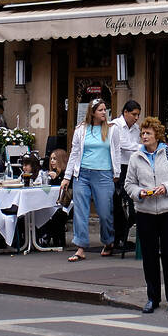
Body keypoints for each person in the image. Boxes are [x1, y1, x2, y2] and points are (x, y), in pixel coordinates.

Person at [124, 117, 168, 313]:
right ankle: (152, 298)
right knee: (150, 257)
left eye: (148, 133)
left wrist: (166, 187)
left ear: (157, 136)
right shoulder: (136, 157)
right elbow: (129, 184)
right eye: (143, 133)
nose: (144, 136)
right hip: (145, 212)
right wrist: (139, 193)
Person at [61, 100, 121, 261]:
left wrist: (117, 172)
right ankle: (80, 247)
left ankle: (108, 241)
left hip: (104, 174)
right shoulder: (81, 129)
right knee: (80, 211)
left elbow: (116, 150)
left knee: (104, 211)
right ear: (92, 112)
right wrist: (67, 177)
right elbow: (74, 153)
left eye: (105, 109)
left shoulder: (112, 129)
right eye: (100, 110)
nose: (104, 112)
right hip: (82, 174)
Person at [109, 100, 143, 255]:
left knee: (129, 201)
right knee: (117, 202)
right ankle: (117, 237)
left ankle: (123, 235)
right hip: (117, 166)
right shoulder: (115, 125)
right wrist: (141, 147)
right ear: (126, 113)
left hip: (131, 167)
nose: (136, 118)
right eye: (134, 114)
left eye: (138, 115)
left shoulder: (136, 129)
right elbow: (122, 145)